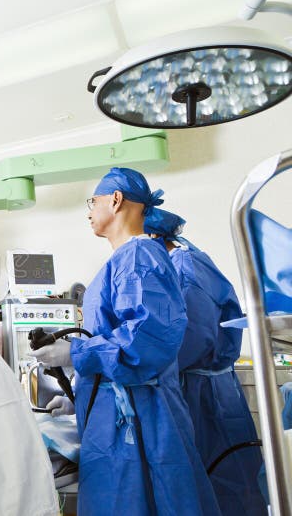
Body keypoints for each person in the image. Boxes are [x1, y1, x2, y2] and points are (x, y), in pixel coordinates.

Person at [31, 167, 220, 515]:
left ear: (115, 200)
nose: (89, 212)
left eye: (93, 202)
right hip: (118, 414)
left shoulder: (140, 257)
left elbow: (145, 341)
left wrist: (75, 352)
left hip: (140, 419)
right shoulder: (122, 261)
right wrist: (78, 398)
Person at [144, 207, 265, 516]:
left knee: (221, 484)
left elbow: (183, 343)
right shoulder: (185, 261)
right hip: (209, 391)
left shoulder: (184, 271)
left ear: (151, 236)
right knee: (229, 481)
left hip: (204, 397)